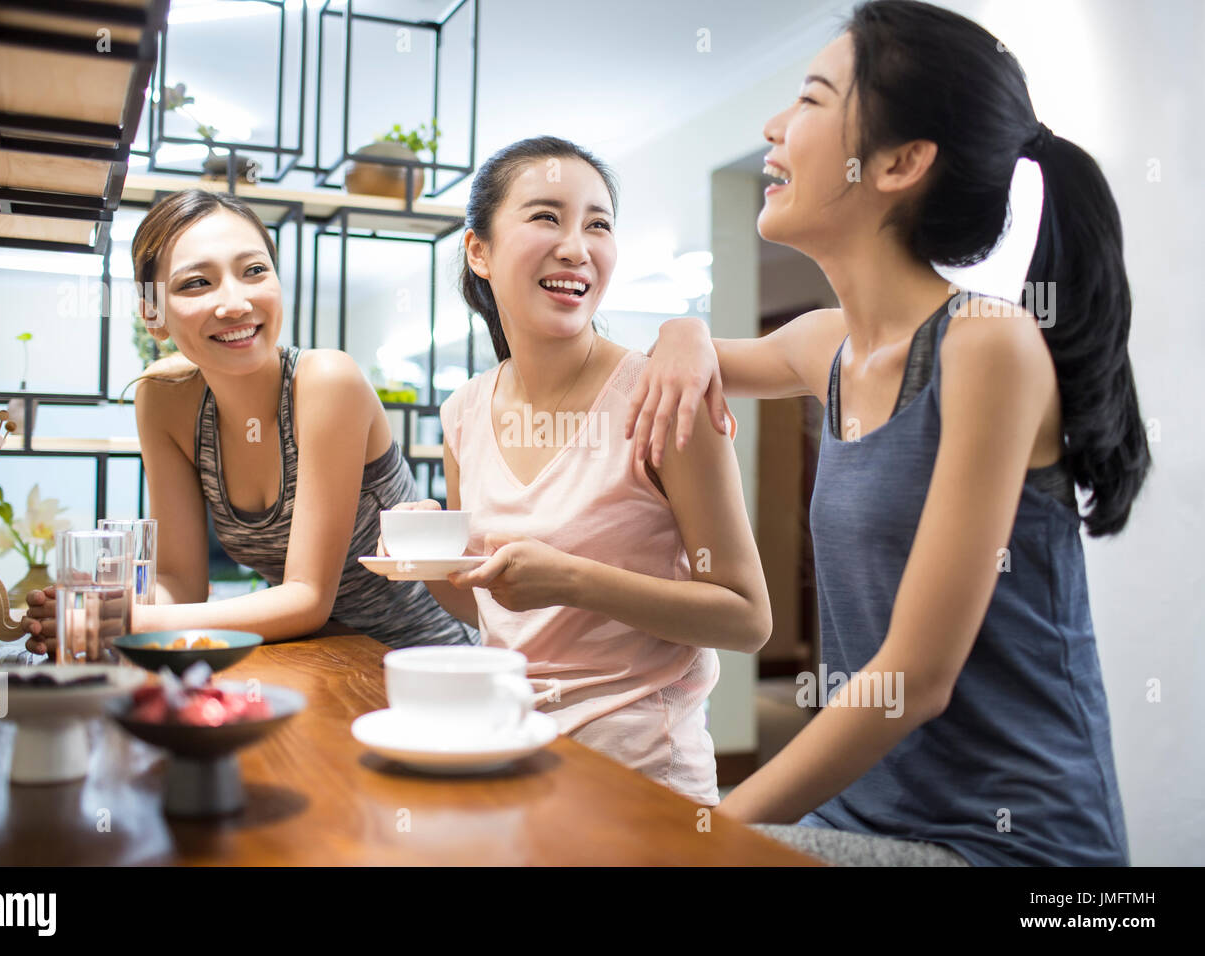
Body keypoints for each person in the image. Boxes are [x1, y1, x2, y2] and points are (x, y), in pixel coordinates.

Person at [627, 0, 1147, 865]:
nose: (773, 126)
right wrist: (680, 333)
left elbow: (916, 682)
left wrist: (710, 831)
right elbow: (694, 357)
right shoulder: (827, 344)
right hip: (859, 819)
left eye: (812, 99)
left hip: (1011, 848)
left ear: (902, 161)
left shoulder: (989, 346)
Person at [393, 136, 772, 807]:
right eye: (546, 217)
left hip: (643, 785)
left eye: (597, 224)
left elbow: (746, 619)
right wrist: (435, 566)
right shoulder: (463, 414)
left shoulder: (662, 394)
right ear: (478, 250)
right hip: (505, 753)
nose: (577, 246)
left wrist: (572, 579)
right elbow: (492, 602)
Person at [23, 189, 476, 652]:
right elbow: (180, 582)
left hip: (426, 660)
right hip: (317, 660)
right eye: (197, 283)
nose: (235, 304)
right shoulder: (162, 401)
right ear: (153, 316)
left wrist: (125, 619)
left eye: (254, 271)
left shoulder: (327, 381)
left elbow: (307, 598)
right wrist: (96, 605)